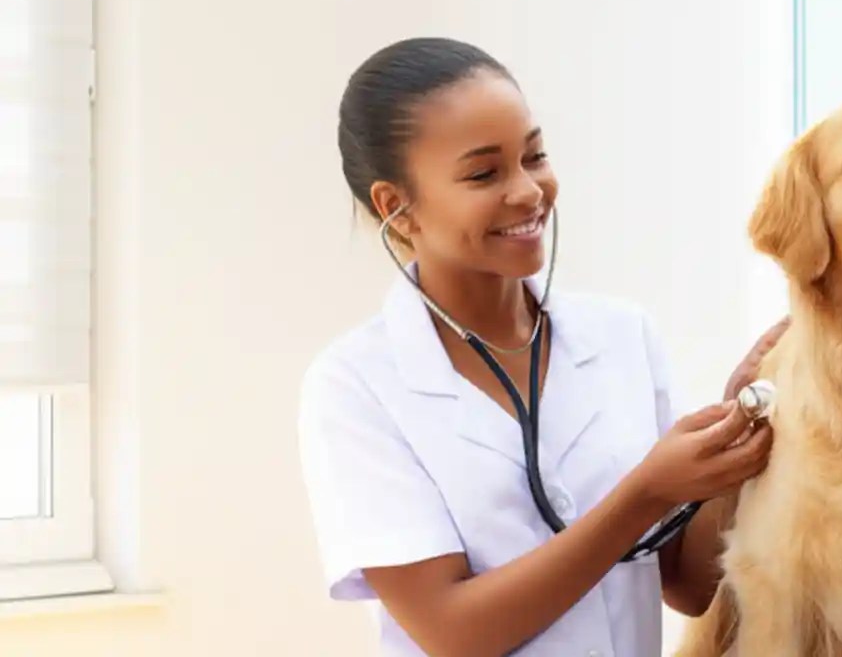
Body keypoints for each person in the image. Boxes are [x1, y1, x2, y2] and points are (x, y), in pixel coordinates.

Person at [296, 37, 787, 657]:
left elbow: (687, 586)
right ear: (398, 207)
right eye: (484, 173)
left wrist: (727, 441)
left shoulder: (621, 336)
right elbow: (454, 632)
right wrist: (647, 493)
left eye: (535, 155)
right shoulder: (356, 385)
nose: (528, 191)